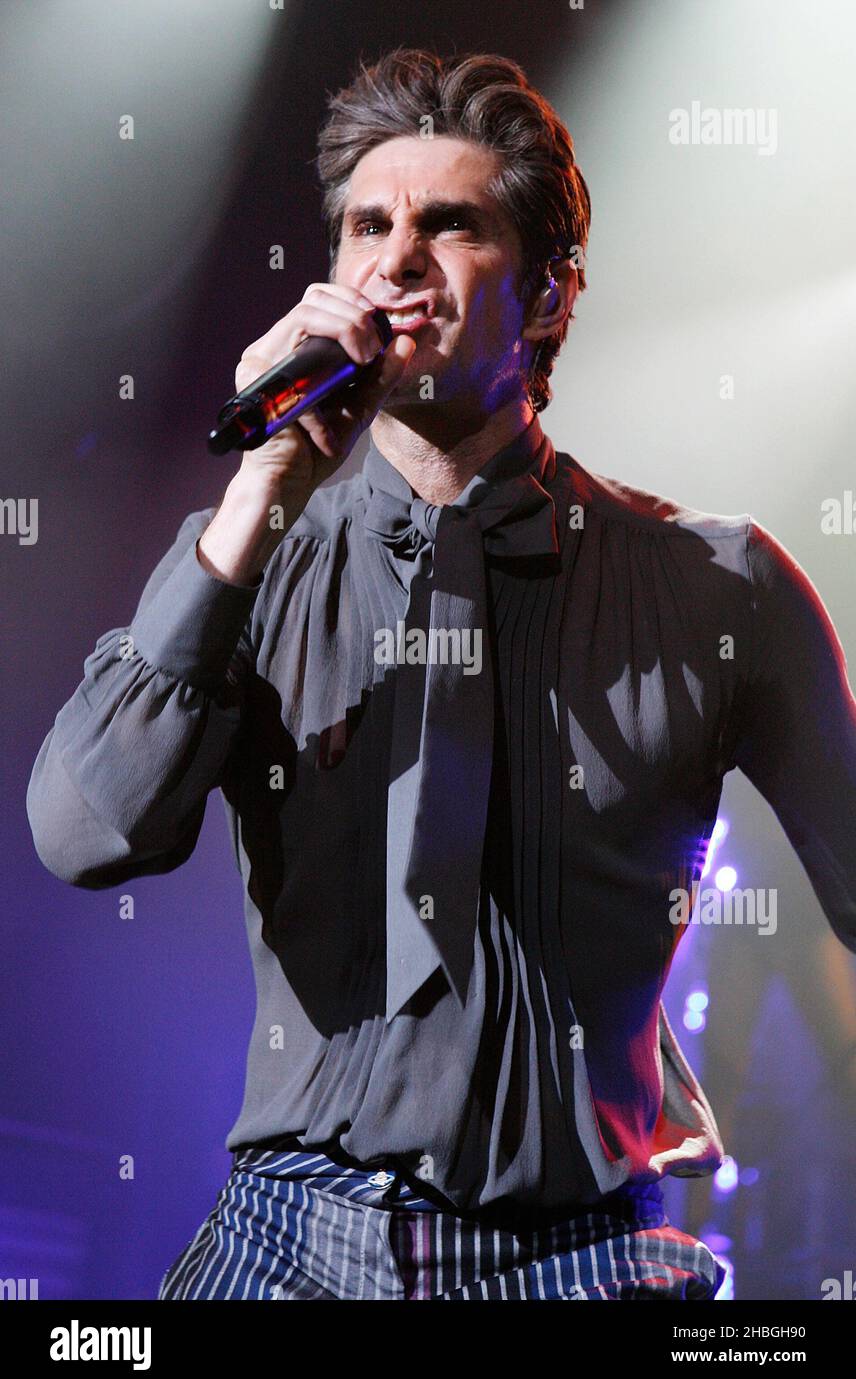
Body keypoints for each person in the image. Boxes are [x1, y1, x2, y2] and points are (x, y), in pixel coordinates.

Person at [26, 47, 856, 1301]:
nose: (395, 258)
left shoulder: (712, 586)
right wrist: (256, 491)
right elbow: (83, 833)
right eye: (369, 225)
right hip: (288, 1238)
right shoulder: (252, 563)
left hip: (584, 1258)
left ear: (548, 297)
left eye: (449, 224)